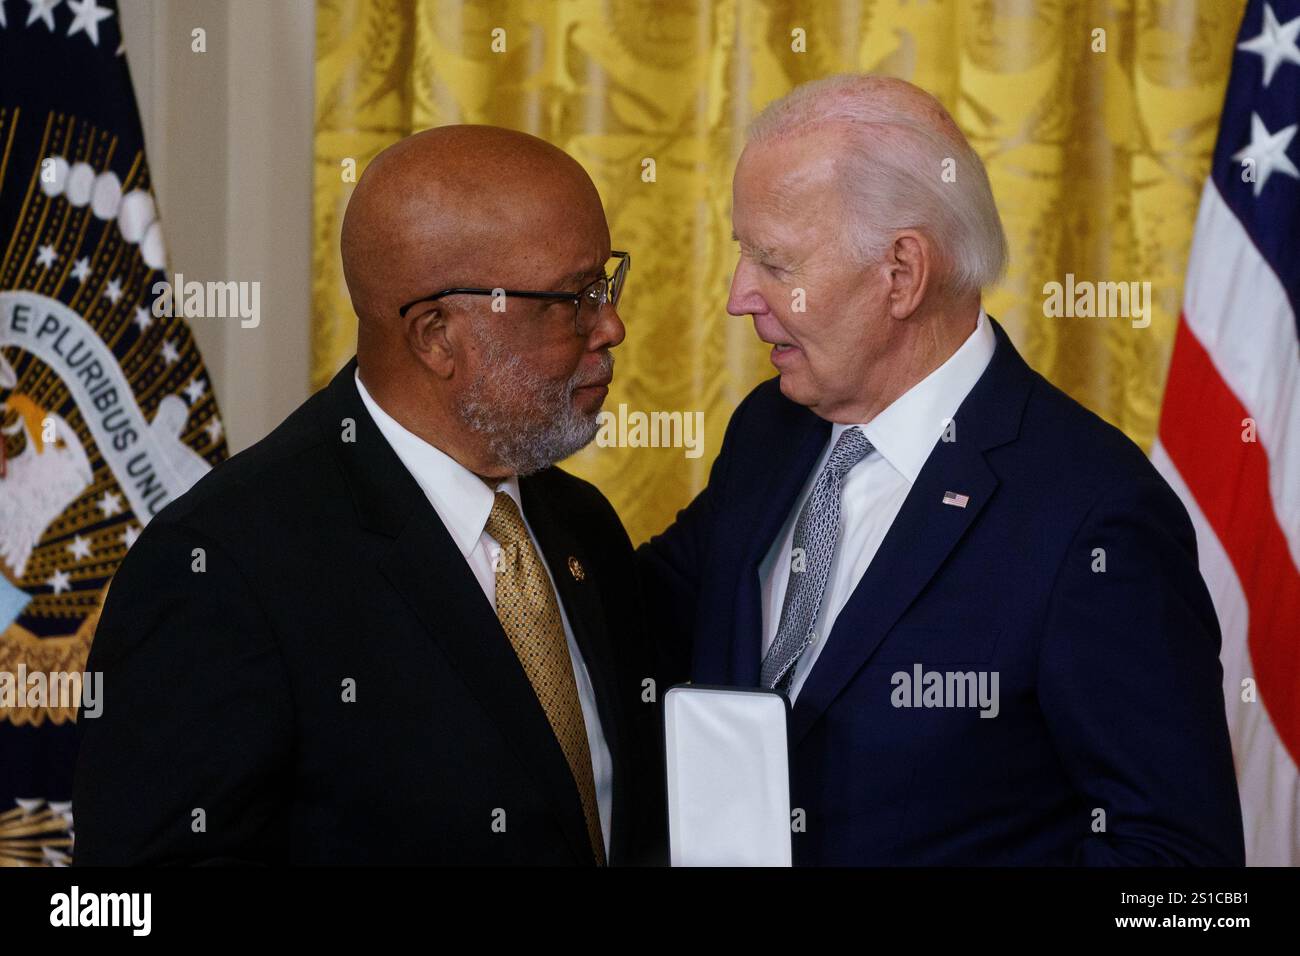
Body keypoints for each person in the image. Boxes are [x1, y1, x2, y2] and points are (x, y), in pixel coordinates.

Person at [639, 74, 1245, 865]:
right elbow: (642, 619)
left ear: (901, 274)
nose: (737, 296)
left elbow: (1183, 874)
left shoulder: (1094, 515)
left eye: (774, 260)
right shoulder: (769, 430)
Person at [74, 125, 663, 866]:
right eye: (571, 298)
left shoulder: (581, 526)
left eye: (604, 283)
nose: (610, 324)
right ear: (436, 335)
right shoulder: (222, 570)